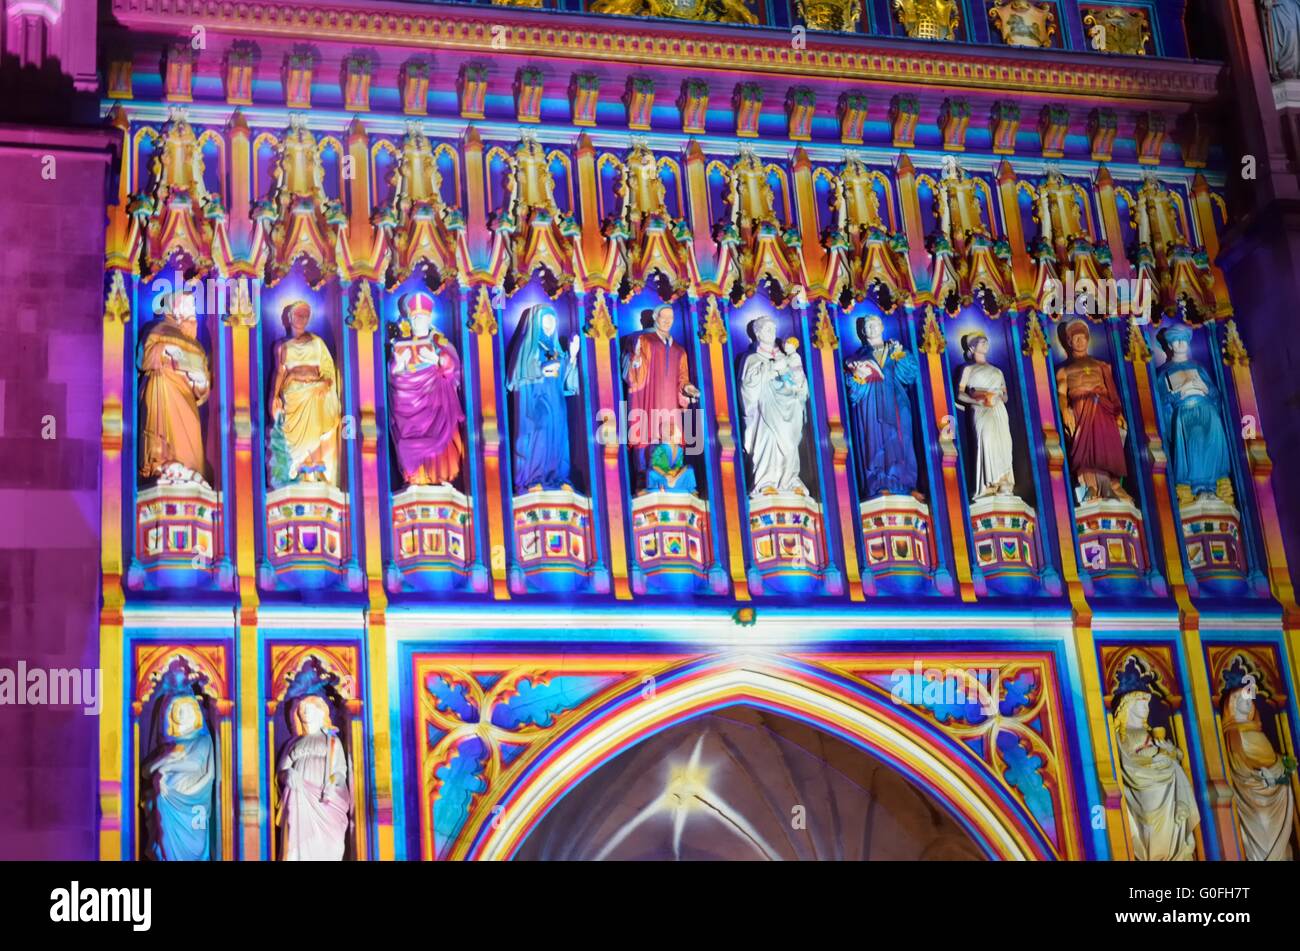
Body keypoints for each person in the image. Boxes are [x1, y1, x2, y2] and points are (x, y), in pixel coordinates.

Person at [388, 292, 465, 487]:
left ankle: (440, 475)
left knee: (441, 436)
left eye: (421, 318)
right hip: (409, 402)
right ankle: (416, 476)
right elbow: (392, 375)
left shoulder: (440, 342)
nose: (417, 322)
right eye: (414, 318)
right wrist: (399, 365)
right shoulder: (401, 345)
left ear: (429, 319)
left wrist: (437, 360)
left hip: (437, 401)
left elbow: (454, 371)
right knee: (410, 440)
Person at [622, 305, 700, 493]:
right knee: (647, 432)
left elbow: (682, 377)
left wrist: (688, 387)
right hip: (649, 400)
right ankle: (645, 480)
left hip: (670, 405)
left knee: (671, 436)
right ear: (655, 318)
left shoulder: (680, 350)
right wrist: (636, 359)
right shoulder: (643, 340)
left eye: (670, 318)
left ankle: (675, 478)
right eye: (663, 317)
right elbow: (633, 373)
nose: (667, 321)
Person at [1114, 690, 1200, 861]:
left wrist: (1169, 752)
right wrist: (1155, 758)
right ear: (1129, 706)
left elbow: (1176, 754)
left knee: (1173, 820)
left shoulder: (1150, 733)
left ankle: (1174, 852)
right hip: (1142, 782)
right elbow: (1127, 761)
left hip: (1166, 778)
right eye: (1142, 703)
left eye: (1147, 704)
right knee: (1149, 817)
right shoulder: (1122, 734)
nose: (1146, 708)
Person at [1155, 323, 1233, 506]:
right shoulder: (1164, 372)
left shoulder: (1198, 368)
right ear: (1170, 345)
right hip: (1185, 413)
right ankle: (1196, 488)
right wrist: (1178, 394)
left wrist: (1206, 389)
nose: (1181, 344)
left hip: (1207, 411)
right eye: (1176, 340)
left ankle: (1213, 488)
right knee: (1193, 445)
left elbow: (1215, 394)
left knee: (1212, 446)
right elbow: (1161, 401)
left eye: (1183, 340)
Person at [139, 290, 211, 486]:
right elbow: (143, 360)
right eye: (188, 305)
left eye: (193, 305)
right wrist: (165, 350)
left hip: (188, 400)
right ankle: (163, 467)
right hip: (165, 389)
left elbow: (204, 388)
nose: (193, 309)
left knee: (192, 443)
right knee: (165, 437)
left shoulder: (197, 345)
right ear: (174, 309)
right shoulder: (159, 330)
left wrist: (201, 383)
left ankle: (193, 475)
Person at [506, 305, 580, 493]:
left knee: (558, 437)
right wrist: (541, 370)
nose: (550, 325)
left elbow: (567, 383)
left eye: (553, 321)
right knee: (538, 436)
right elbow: (517, 376)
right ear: (537, 323)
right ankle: (533, 477)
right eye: (546, 320)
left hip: (556, 401)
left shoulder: (556, 350)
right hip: (535, 401)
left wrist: (571, 358)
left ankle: (557, 476)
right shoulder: (529, 348)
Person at [845, 314, 921, 499]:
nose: (872, 328)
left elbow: (910, 374)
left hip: (896, 401)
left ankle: (905, 483)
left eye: (875, 325)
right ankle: (879, 483)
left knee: (902, 440)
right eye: (868, 326)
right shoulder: (857, 357)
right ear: (863, 332)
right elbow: (853, 390)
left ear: (882, 327)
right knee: (874, 440)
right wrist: (858, 375)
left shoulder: (895, 349)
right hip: (871, 403)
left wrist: (900, 355)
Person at [268, 301, 342, 487]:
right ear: (290, 317)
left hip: (314, 392)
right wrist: (275, 396)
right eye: (298, 314)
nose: (301, 319)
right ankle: (298, 471)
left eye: (305, 315)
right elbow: (280, 372)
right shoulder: (282, 346)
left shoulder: (317, 343)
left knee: (315, 432)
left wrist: (325, 382)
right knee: (293, 435)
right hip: (293, 393)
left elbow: (327, 368)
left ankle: (315, 470)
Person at [1055, 320, 1130, 503]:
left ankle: (1112, 486)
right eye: (1076, 338)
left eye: (1083, 338)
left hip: (1103, 409)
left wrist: (1118, 412)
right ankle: (1090, 488)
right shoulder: (1064, 370)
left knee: (1107, 446)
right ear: (1069, 342)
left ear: (1088, 340)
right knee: (1085, 449)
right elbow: (1061, 393)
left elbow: (1112, 392)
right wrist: (1064, 409)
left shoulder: (1101, 365)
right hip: (1080, 409)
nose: (1080, 341)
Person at [1222, 674, 1296, 861]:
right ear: (1233, 701)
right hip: (1253, 793)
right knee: (1262, 825)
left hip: (1277, 791)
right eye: (1244, 699)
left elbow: (1271, 758)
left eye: (1250, 699)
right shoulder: (1234, 733)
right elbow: (1238, 763)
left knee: (1281, 833)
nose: (1249, 702)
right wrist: (1259, 774)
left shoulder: (1257, 731)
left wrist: (1280, 766)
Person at [740, 315, 809, 497]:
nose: (772, 333)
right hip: (766, 411)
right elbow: (748, 387)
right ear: (757, 333)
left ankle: (790, 479)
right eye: (767, 329)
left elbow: (800, 386)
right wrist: (771, 369)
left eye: (773, 329)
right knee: (769, 441)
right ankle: (766, 480)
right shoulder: (753, 359)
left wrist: (793, 375)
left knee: (791, 444)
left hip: (789, 410)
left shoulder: (787, 357)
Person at [141, 694, 216, 861]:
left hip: (192, 803)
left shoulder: (202, 741)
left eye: (188, 710)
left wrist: (168, 767)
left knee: (193, 848)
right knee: (163, 833)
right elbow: (146, 771)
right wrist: (166, 759)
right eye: (179, 711)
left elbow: (196, 766)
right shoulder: (170, 746)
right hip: (166, 802)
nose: (183, 715)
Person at [277, 695, 350, 861]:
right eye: (302, 710)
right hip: (298, 796)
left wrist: (332, 783)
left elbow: (340, 771)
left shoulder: (331, 741)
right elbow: (282, 771)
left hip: (324, 800)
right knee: (297, 843)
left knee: (332, 846)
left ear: (320, 712)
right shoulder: (293, 743)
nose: (305, 712)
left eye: (310, 709)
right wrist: (287, 774)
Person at [956, 332, 1015, 499]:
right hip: (981, 409)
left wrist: (998, 396)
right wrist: (977, 401)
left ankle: (1004, 481)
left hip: (998, 409)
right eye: (981, 342)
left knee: (1004, 443)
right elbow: (960, 394)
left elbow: (1006, 396)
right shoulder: (968, 369)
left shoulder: (997, 371)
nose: (985, 345)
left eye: (986, 342)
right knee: (987, 440)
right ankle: (989, 483)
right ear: (972, 347)